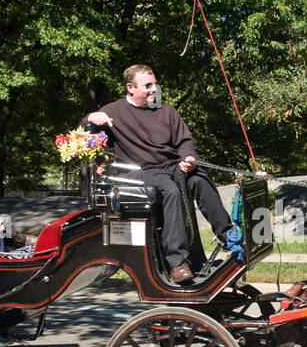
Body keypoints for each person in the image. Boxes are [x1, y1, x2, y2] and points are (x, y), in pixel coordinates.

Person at [83, 64, 241, 281]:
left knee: (200, 178)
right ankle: (177, 263)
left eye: (154, 84)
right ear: (131, 88)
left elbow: (185, 141)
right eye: (147, 86)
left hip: (172, 166)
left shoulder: (166, 111)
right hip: (143, 172)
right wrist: (92, 117)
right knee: (170, 191)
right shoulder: (113, 111)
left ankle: (229, 236)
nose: (153, 90)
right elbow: (84, 131)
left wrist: (188, 157)